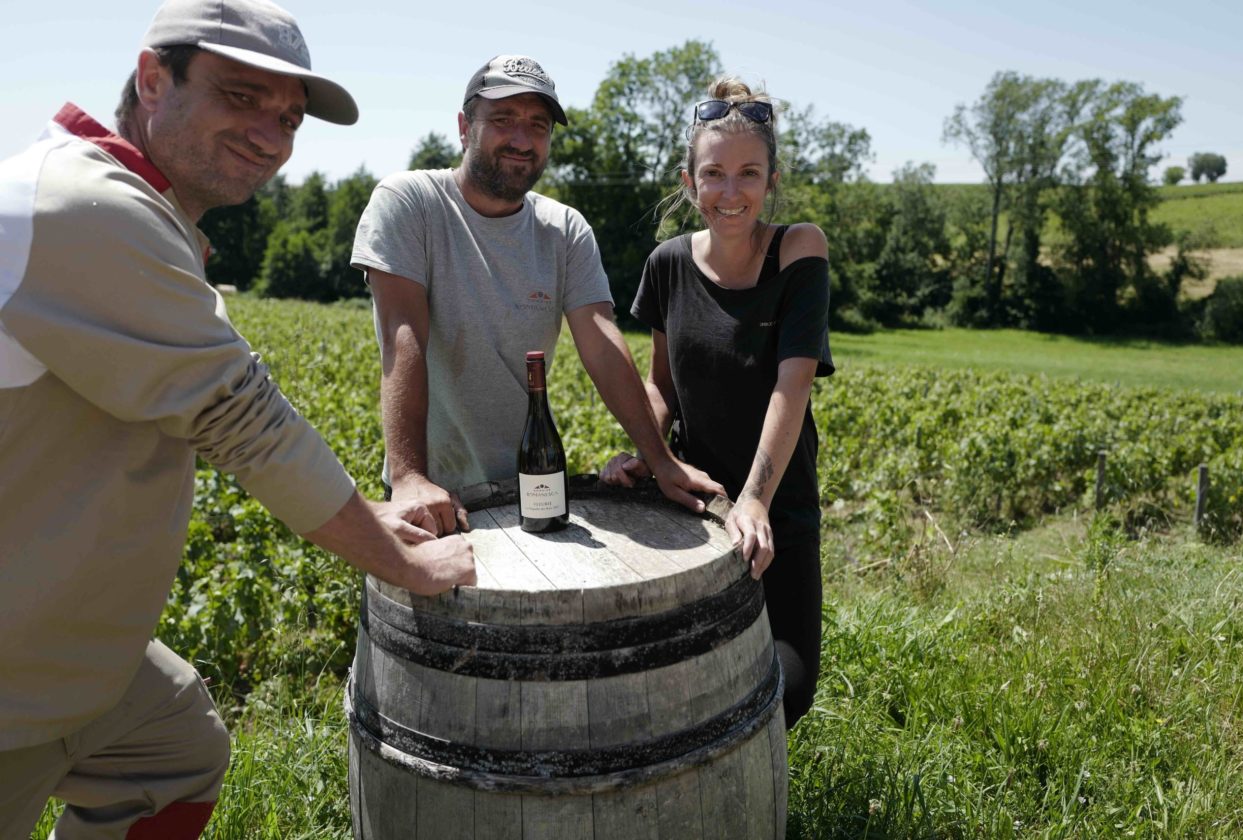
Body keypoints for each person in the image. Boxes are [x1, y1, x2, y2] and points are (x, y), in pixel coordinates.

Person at [0, 0, 475, 836]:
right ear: (153, 79)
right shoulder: (79, 204)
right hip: (12, 682)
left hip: (68, 652)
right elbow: (237, 414)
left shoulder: (130, 206)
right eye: (240, 96)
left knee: (174, 749)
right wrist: (400, 561)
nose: (272, 135)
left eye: (289, 117)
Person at [351, 55, 724, 534]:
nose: (522, 140)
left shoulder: (564, 230)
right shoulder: (411, 203)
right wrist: (409, 478)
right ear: (465, 127)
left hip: (533, 486)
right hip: (433, 496)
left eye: (538, 125)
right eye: (503, 120)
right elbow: (403, 336)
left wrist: (661, 459)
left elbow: (603, 345)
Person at [599, 78, 834, 730]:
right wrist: (643, 453)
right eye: (714, 174)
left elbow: (795, 385)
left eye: (748, 173)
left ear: (772, 179)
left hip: (777, 510)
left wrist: (757, 498)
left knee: (786, 689)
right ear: (689, 179)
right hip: (694, 510)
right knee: (680, 688)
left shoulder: (799, 250)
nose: (731, 193)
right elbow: (661, 390)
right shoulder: (667, 263)